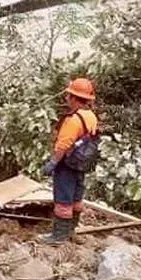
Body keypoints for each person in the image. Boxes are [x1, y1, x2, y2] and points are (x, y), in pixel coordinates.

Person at [41, 78, 99, 244]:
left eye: (69, 95)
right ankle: (71, 231)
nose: (66, 98)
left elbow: (63, 145)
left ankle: (59, 237)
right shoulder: (91, 117)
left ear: (74, 98)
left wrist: (53, 163)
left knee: (63, 199)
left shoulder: (73, 120)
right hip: (82, 163)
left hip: (67, 164)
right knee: (76, 198)